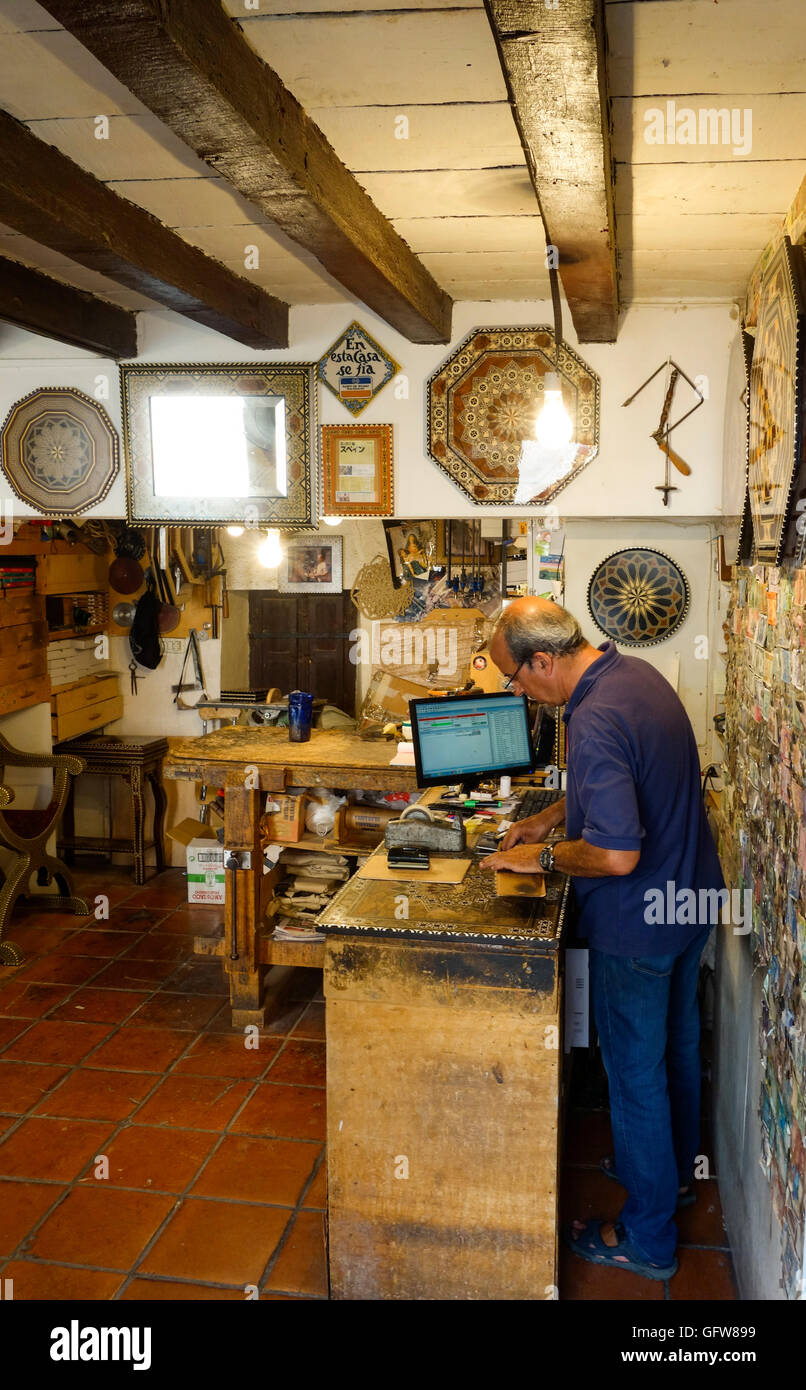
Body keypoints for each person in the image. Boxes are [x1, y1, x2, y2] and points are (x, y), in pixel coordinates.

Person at [481, 596, 724, 1281]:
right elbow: (627, 786)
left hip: (637, 925)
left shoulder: (590, 719)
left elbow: (616, 854)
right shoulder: (634, 677)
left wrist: (544, 856)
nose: (517, 692)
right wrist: (553, 816)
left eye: (516, 679)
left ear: (544, 661)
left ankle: (647, 1239)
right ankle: (670, 1179)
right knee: (675, 1047)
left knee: (634, 1077)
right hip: (688, 903)